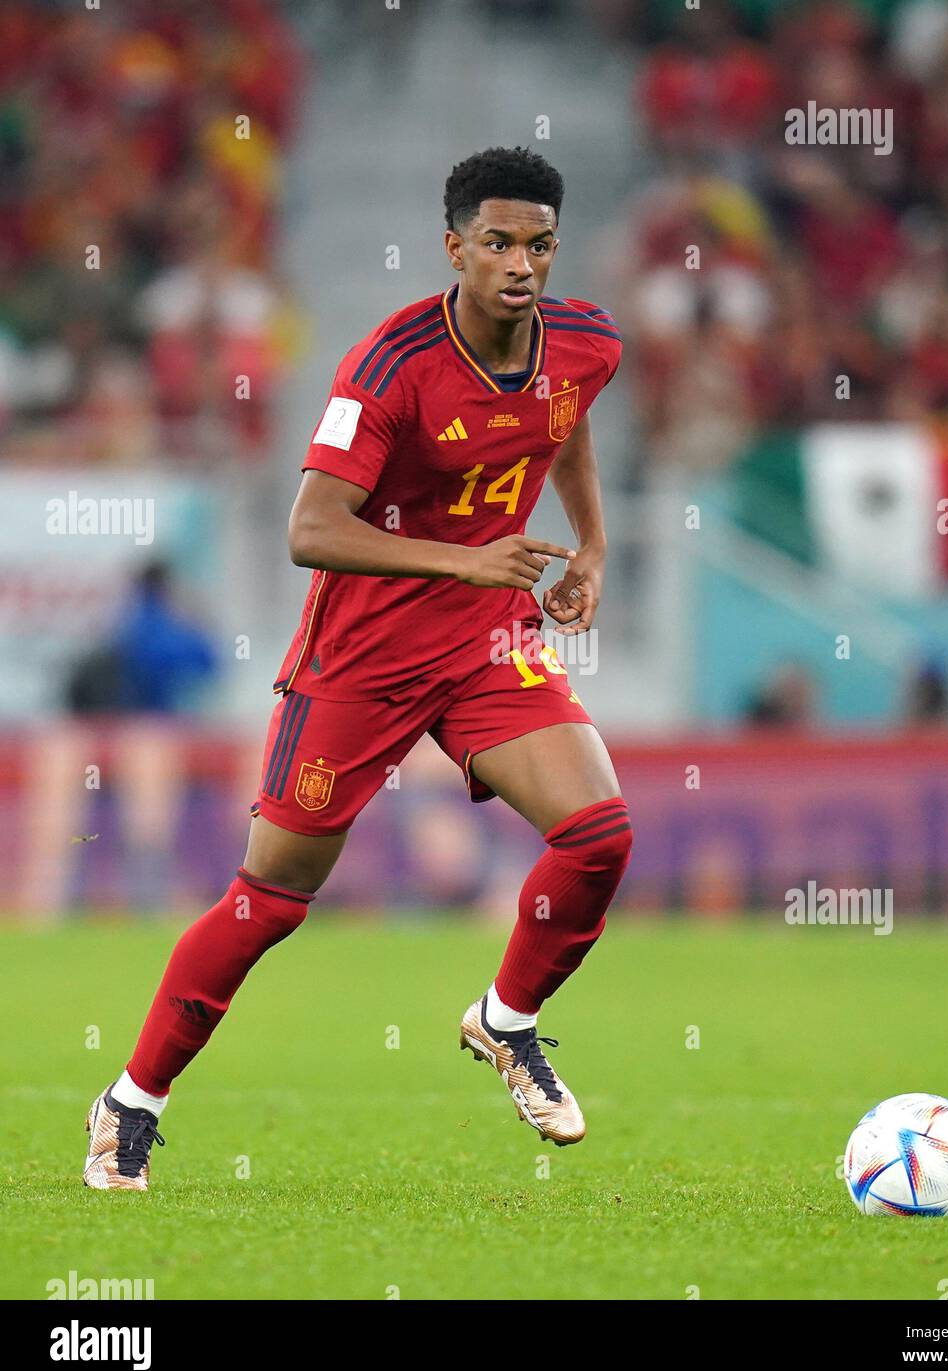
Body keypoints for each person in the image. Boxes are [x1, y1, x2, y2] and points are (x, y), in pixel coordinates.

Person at [84, 146, 633, 1189]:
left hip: (483, 643)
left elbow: (564, 423)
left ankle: (506, 1022)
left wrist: (592, 544)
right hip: (362, 659)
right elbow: (310, 528)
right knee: (268, 901)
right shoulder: (388, 366)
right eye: (499, 243)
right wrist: (466, 558)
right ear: (454, 248)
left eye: (539, 244)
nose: (522, 264)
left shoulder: (585, 342)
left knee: (598, 834)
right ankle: (129, 1101)